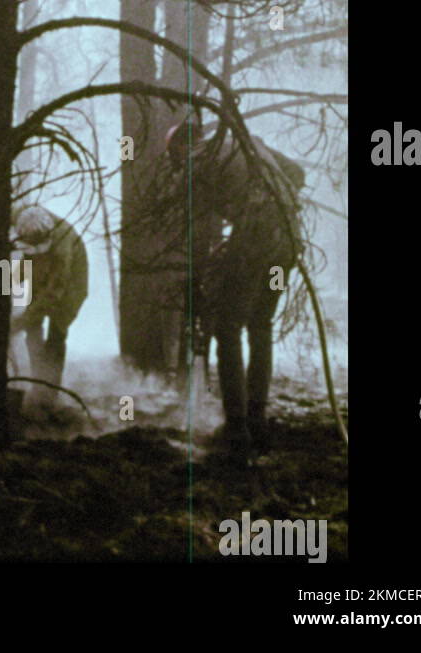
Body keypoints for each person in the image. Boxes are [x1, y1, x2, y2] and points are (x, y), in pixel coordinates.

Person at [164, 119, 304, 463]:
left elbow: (195, 229)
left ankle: (237, 427)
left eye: (177, 157)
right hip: (285, 249)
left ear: (183, 147)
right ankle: (259, 420)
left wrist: (199, 275)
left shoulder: (199, 162)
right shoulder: (250, 141)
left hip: (254, 251)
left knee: (228, 328)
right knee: (261, 325)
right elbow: (297, 173)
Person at [9, 205, 88, 401]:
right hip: (38, 263)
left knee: (57, 331)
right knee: (33, 329)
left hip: (71, 282)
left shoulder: (63, 249)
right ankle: (37, 379)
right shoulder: (18, 215)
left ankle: (48, 390)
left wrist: (19, 323)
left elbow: (53, 294)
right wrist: (5, 283)